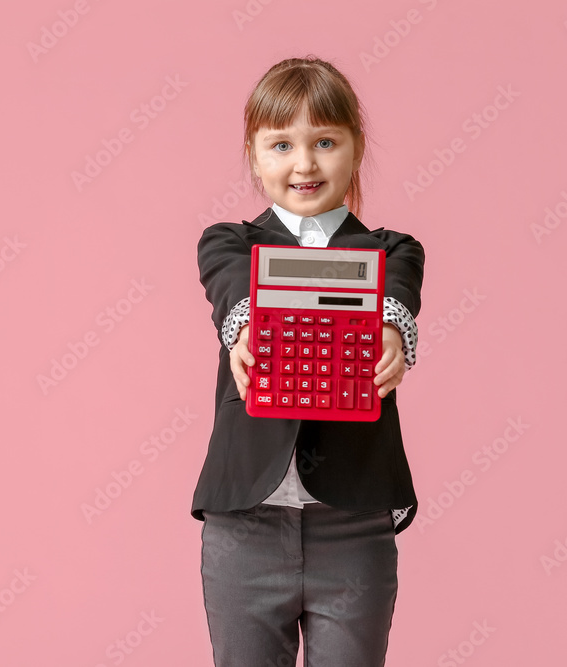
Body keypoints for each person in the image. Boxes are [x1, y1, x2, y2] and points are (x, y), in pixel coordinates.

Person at [191, 56, 425, 667]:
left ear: (356, 146)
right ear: (253, 153)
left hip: (353, 524)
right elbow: (231, 284)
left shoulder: (392, 249)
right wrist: (244, 323)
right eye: (282, 144)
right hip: (245, 525)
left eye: (325, 141)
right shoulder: (230, 241)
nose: (304, 163)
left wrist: (392, 334)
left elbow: (396, 293)